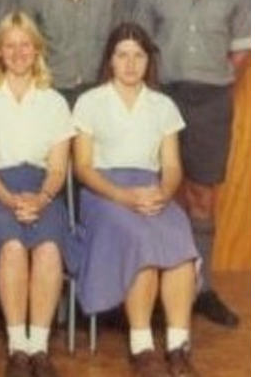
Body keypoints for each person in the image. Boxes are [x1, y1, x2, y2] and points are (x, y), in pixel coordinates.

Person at [133, 0, 250, 329]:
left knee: (202, 195)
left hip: (212, 101)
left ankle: (201, 288)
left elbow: (241, 51)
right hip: (163, 100)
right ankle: (157, 288)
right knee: (161, 191)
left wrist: (214, 81)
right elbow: (137, 51)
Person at [72, 22, 200, 377]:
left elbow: (171, 166)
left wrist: (163, 193)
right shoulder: (90, 102)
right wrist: (122, 196)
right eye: (122, 55)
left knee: (179, 239)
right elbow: (82, 167)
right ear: (110, 60)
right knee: (140, 238)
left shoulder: (162, 105)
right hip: (105, 192)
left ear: (148, 61)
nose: (130, 64)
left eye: (138, 56)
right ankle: (142, 347)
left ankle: (178, 346)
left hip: (151, 190)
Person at [0, 12, 73, 377]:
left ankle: (39, 347)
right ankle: (17, 348)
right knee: (11, 246)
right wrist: (10, 200)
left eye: (25, 44)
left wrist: (41, 199)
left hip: (43, 191)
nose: (18, 52)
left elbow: (58, 169)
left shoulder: (54, 101)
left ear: (37, 49)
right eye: (9, 45)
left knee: (49, 248)